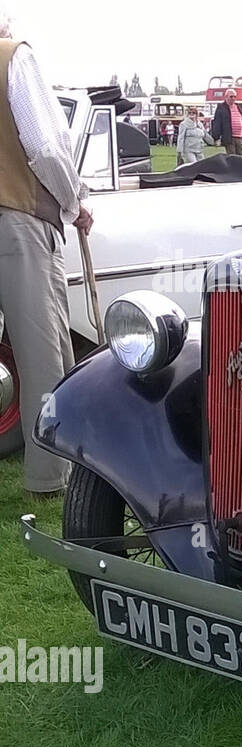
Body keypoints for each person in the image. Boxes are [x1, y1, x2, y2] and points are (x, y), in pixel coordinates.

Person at [0, 33, 91, 495]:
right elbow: (47, 147)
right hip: (14, 216)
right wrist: (75, 202)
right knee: (42, 352)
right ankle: (51, 473)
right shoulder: (13, 55)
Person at [210, 87, 242, 155]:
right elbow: (217, 123)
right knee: (232, 157)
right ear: (226, 97)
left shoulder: (239, 107)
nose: (233, 98)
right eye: (231, 96)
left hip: (239, 137)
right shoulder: (221, 107)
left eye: (235, 97)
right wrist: (216, 137)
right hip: (229, 137)